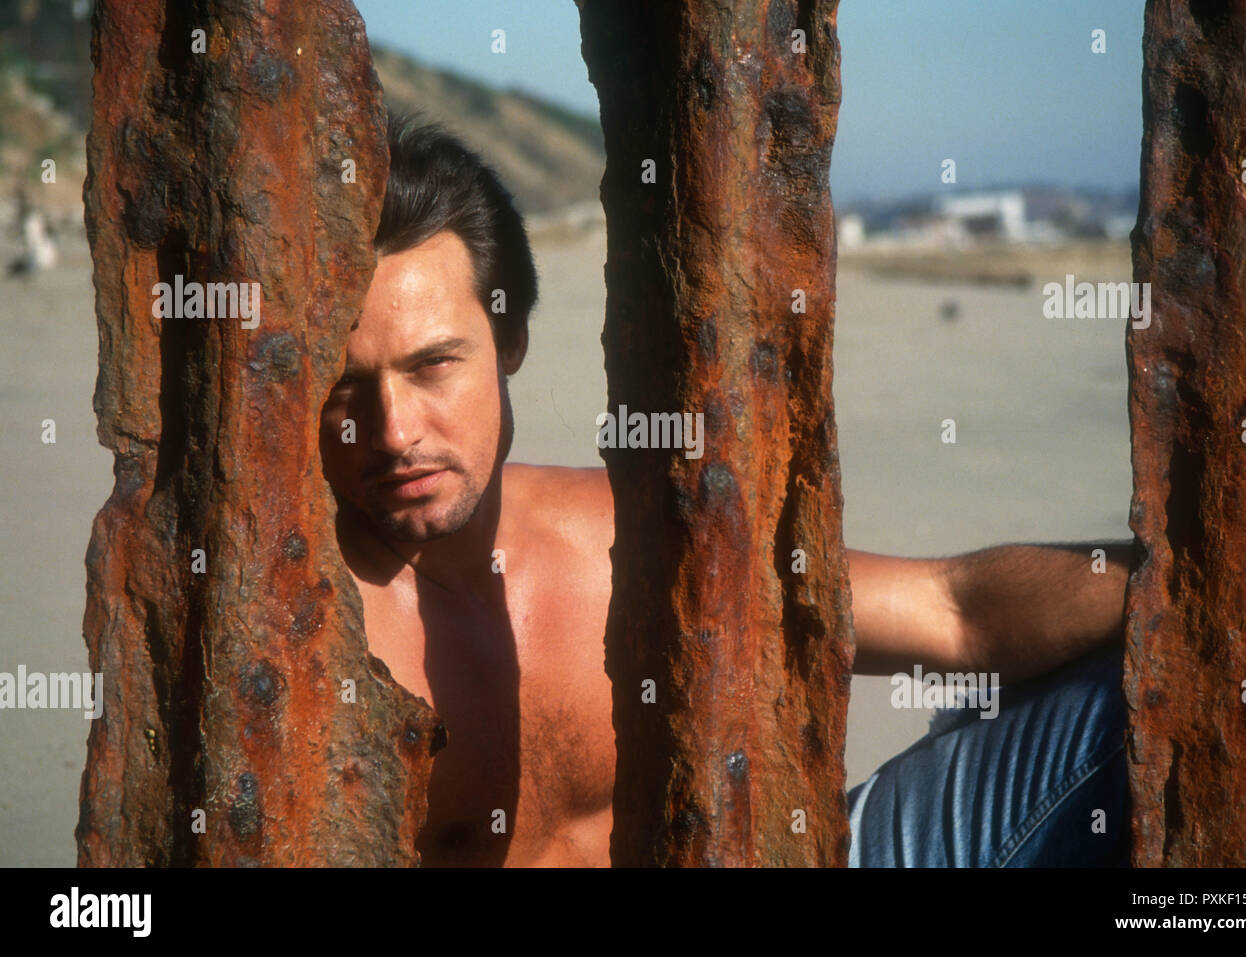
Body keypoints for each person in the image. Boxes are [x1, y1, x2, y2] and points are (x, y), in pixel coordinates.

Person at [319, 111, 1132, 867]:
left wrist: (1187, 578)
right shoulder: (310, 632)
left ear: (512, 341)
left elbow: (954, 612)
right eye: (346, 385)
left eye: (433, 366)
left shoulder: (621, 536)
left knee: (1120, 698)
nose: (393, 431)